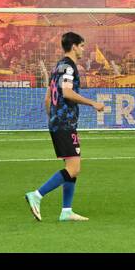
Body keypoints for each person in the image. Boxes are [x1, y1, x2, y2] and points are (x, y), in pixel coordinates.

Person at [24, 31, 104, 223]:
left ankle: (66, 210)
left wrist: (52, 119)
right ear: (74, 46)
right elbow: (67, 93)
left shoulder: (57, 67)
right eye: (82, 46)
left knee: (71, 166)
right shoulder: (68, 67)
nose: (84, 49)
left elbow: (47, 98)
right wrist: (92, 103)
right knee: (74, 168)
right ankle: (37, 194)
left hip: (59, 123)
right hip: (65, 123)